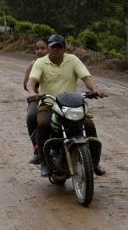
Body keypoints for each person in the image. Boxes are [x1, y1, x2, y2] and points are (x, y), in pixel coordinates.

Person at [26, 34, 108, 177]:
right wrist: (32, 91)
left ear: (64, 48)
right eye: (53, 47)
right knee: (43, 124)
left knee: (89, 125)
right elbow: (31, 81)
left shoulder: (73, 60)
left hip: (72, 104)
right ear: (49, 48)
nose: (56, 50)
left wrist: (95, 89)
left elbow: (86, 78)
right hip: (49, 104)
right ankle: (44, 162)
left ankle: (94, 162)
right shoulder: (40, 63)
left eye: (59, 47)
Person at [24, 37, 49, 163]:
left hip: (54, 97)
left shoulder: (54, 63)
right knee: (32, 116)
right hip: (37, 98)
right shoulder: (32, 65)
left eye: (43, 48)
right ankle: (37, 148)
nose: (39, 51)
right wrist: (34, 91)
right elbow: (25, 84)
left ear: (49, 49)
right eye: (37, 48)